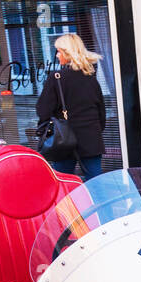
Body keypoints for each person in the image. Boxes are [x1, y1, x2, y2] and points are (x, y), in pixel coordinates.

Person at [36, 33, 107, 180]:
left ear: (68, 53)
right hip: (90, 138)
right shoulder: (90, 77)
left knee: (64, 183)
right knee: (96, 182)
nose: (56, 55)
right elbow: (101, 111)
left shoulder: (56, 78)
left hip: (64, 140)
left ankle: (72, 204)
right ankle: (97, 203)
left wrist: (44, 131)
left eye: (59, 51)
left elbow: (43, 109)